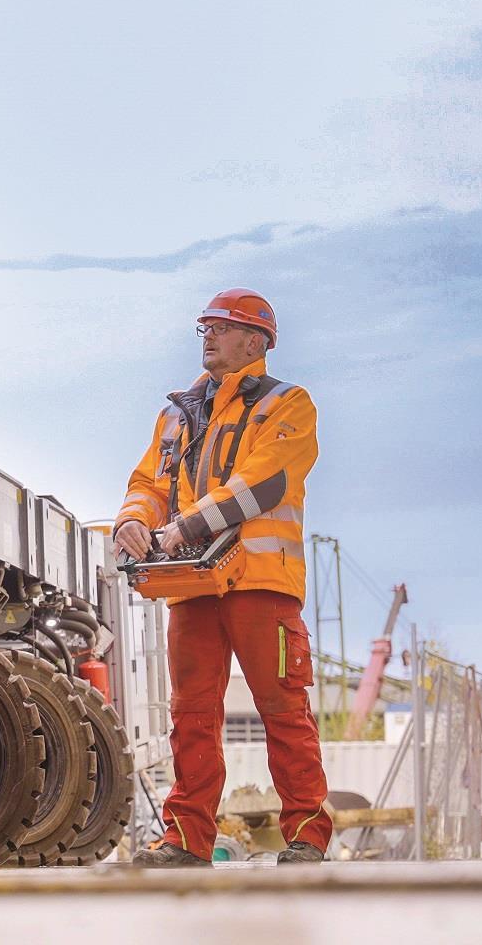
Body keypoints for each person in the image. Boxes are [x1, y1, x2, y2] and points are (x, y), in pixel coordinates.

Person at [115, 289, 331, 867]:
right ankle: (185, 840)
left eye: (221, 326)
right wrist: (133, 523)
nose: (207, 335)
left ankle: (308, 836)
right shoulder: (176, 414)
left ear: (256, 342)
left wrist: (179, 528)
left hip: (260, 580)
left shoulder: (288, 405)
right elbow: (149, 486)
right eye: (204, 326)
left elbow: (262, 485)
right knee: (190, 715)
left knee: (283, 710)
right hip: (192, 583)